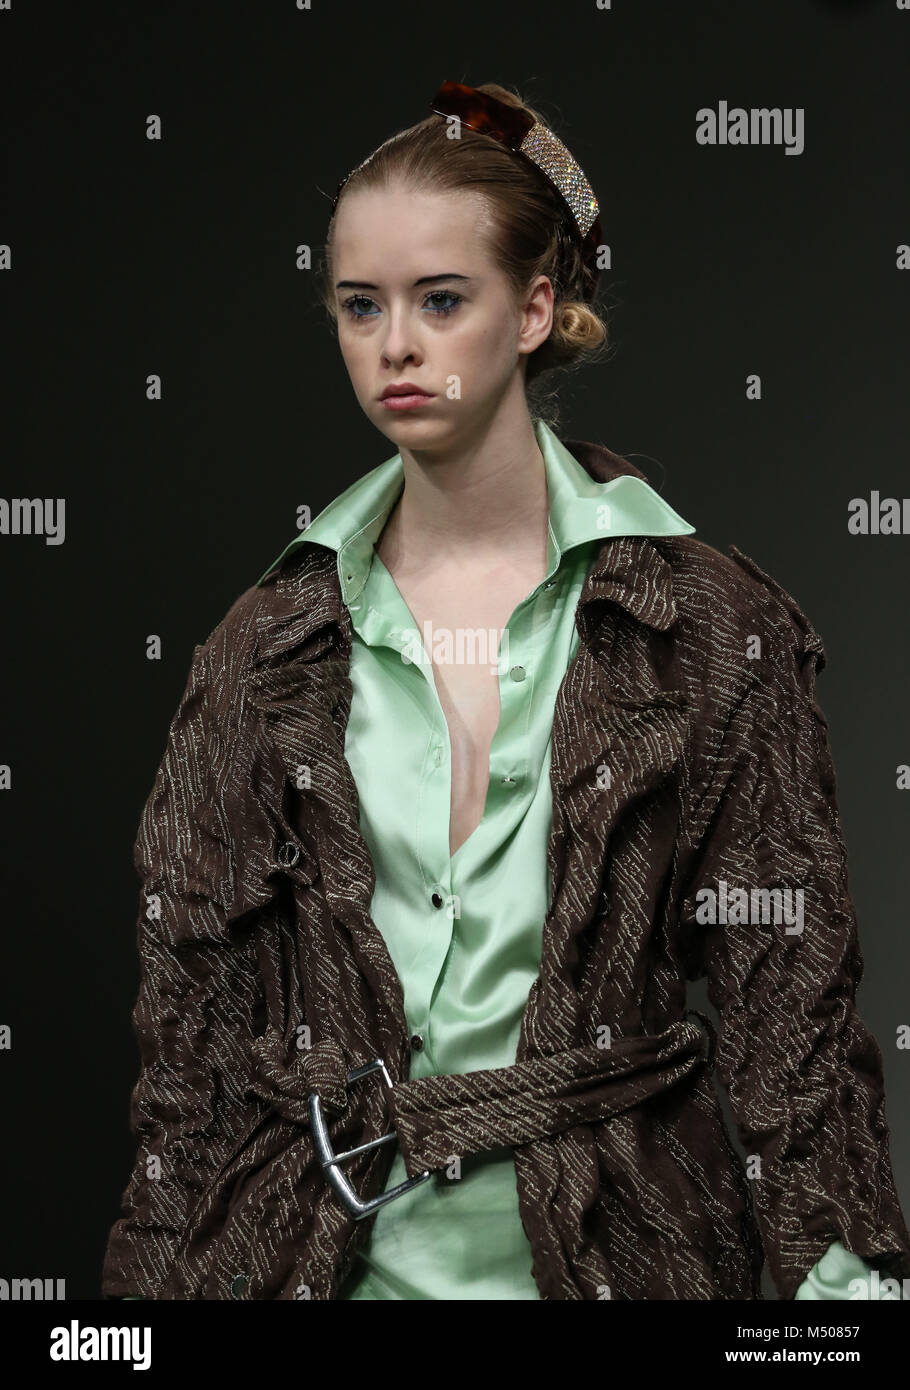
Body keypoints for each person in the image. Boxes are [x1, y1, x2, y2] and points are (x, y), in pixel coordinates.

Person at [103, 79, 910, 1301]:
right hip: (312, 1266)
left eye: (441, 300)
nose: (396, 347)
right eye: (358, 305)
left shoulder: (704, 621)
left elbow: (785, 995)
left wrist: (844, 1288)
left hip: (624, 1254)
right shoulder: (265, 642)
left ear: (534, 309)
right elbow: (190, 1035)